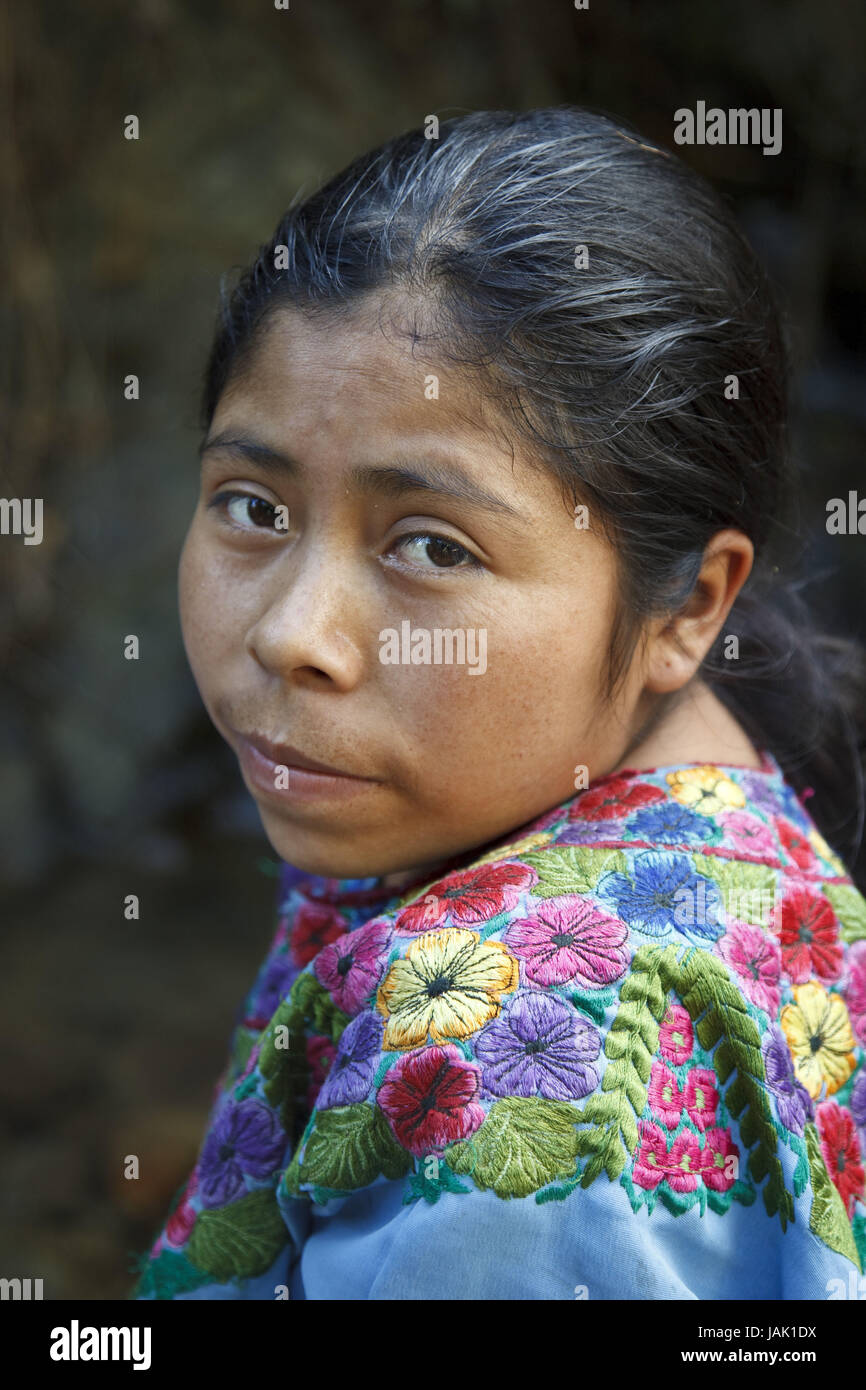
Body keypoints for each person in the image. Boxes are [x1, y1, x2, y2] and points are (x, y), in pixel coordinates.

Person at [130, 107, 866, 1300]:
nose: (289, 635)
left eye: (431, 545)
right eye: (253, 507)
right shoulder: (680, 796)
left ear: (688, 606)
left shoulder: (521, 1048)